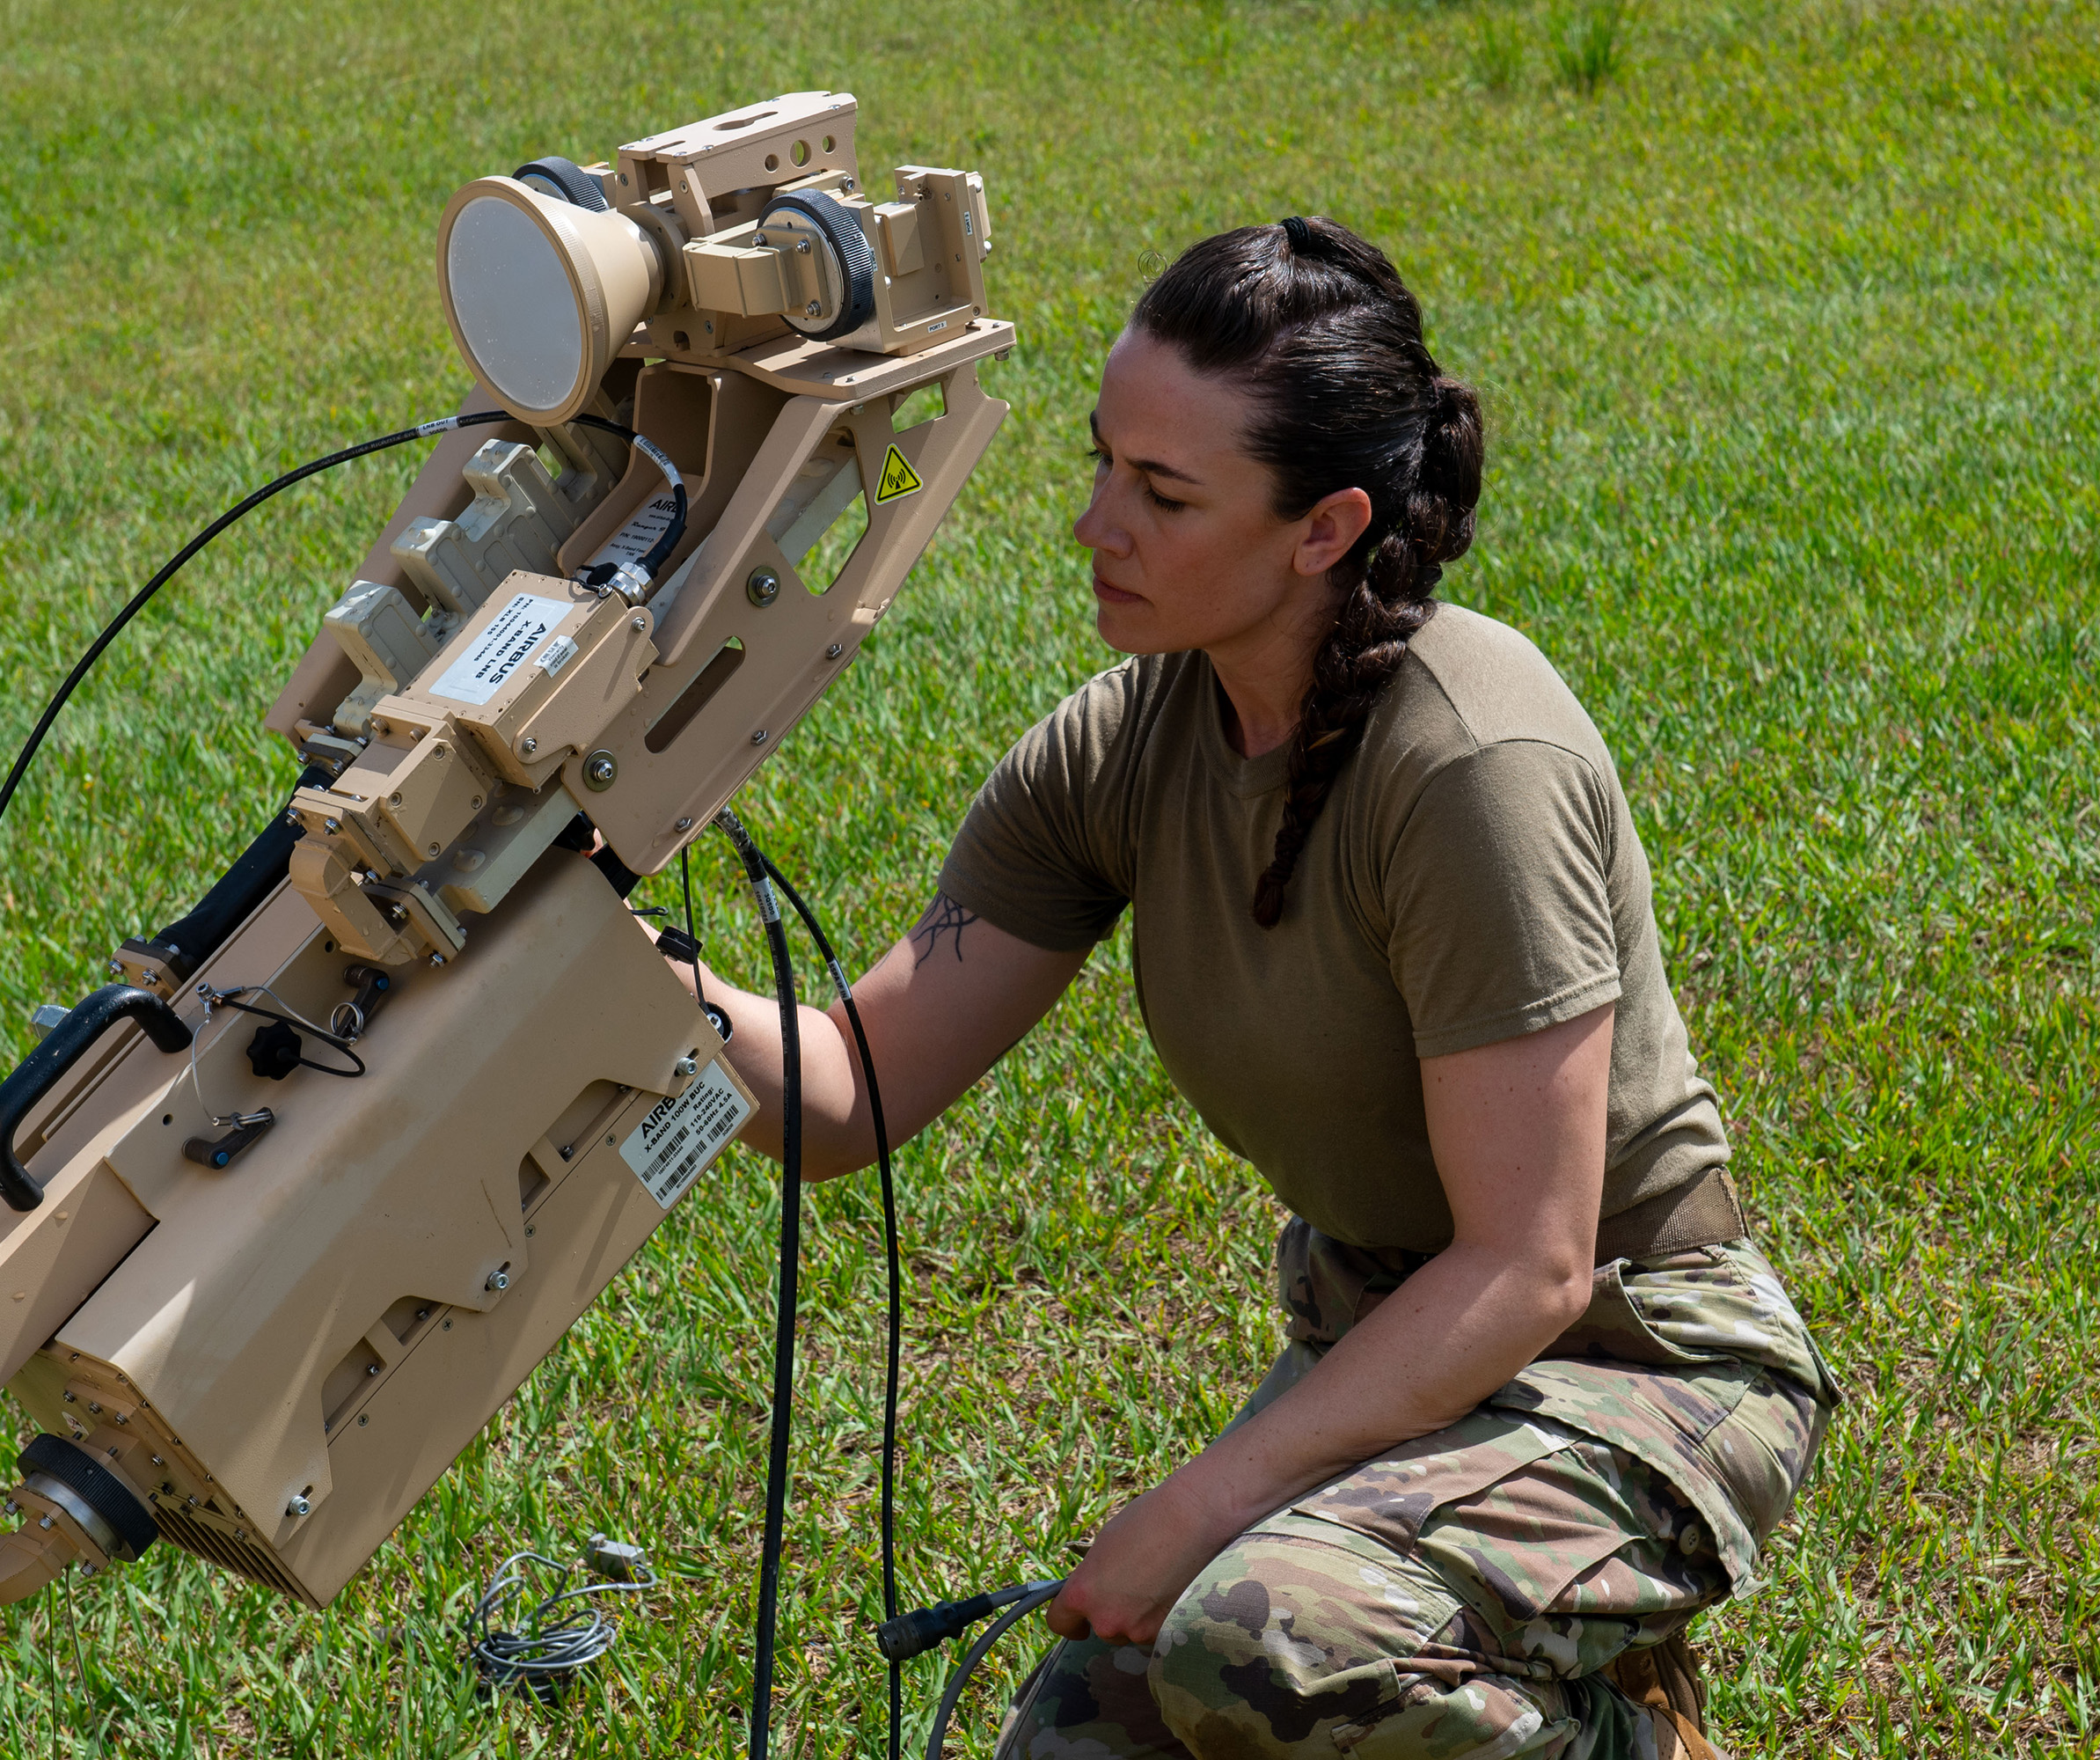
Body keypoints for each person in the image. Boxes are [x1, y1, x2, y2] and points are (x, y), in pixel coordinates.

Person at [664, 216, 1839, 1760]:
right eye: (1101, 465)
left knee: (1265, 1649)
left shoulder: (1472, 760)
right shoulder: (1121, 746)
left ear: (1323, 529)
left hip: (1634, 1357)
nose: (1095, 524)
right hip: (1396, 1338)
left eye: (1164, 495)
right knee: (1085, 1738)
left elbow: (1531, 1265)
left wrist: (1202, 1505)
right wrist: (621, 975)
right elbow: (846, 1096)